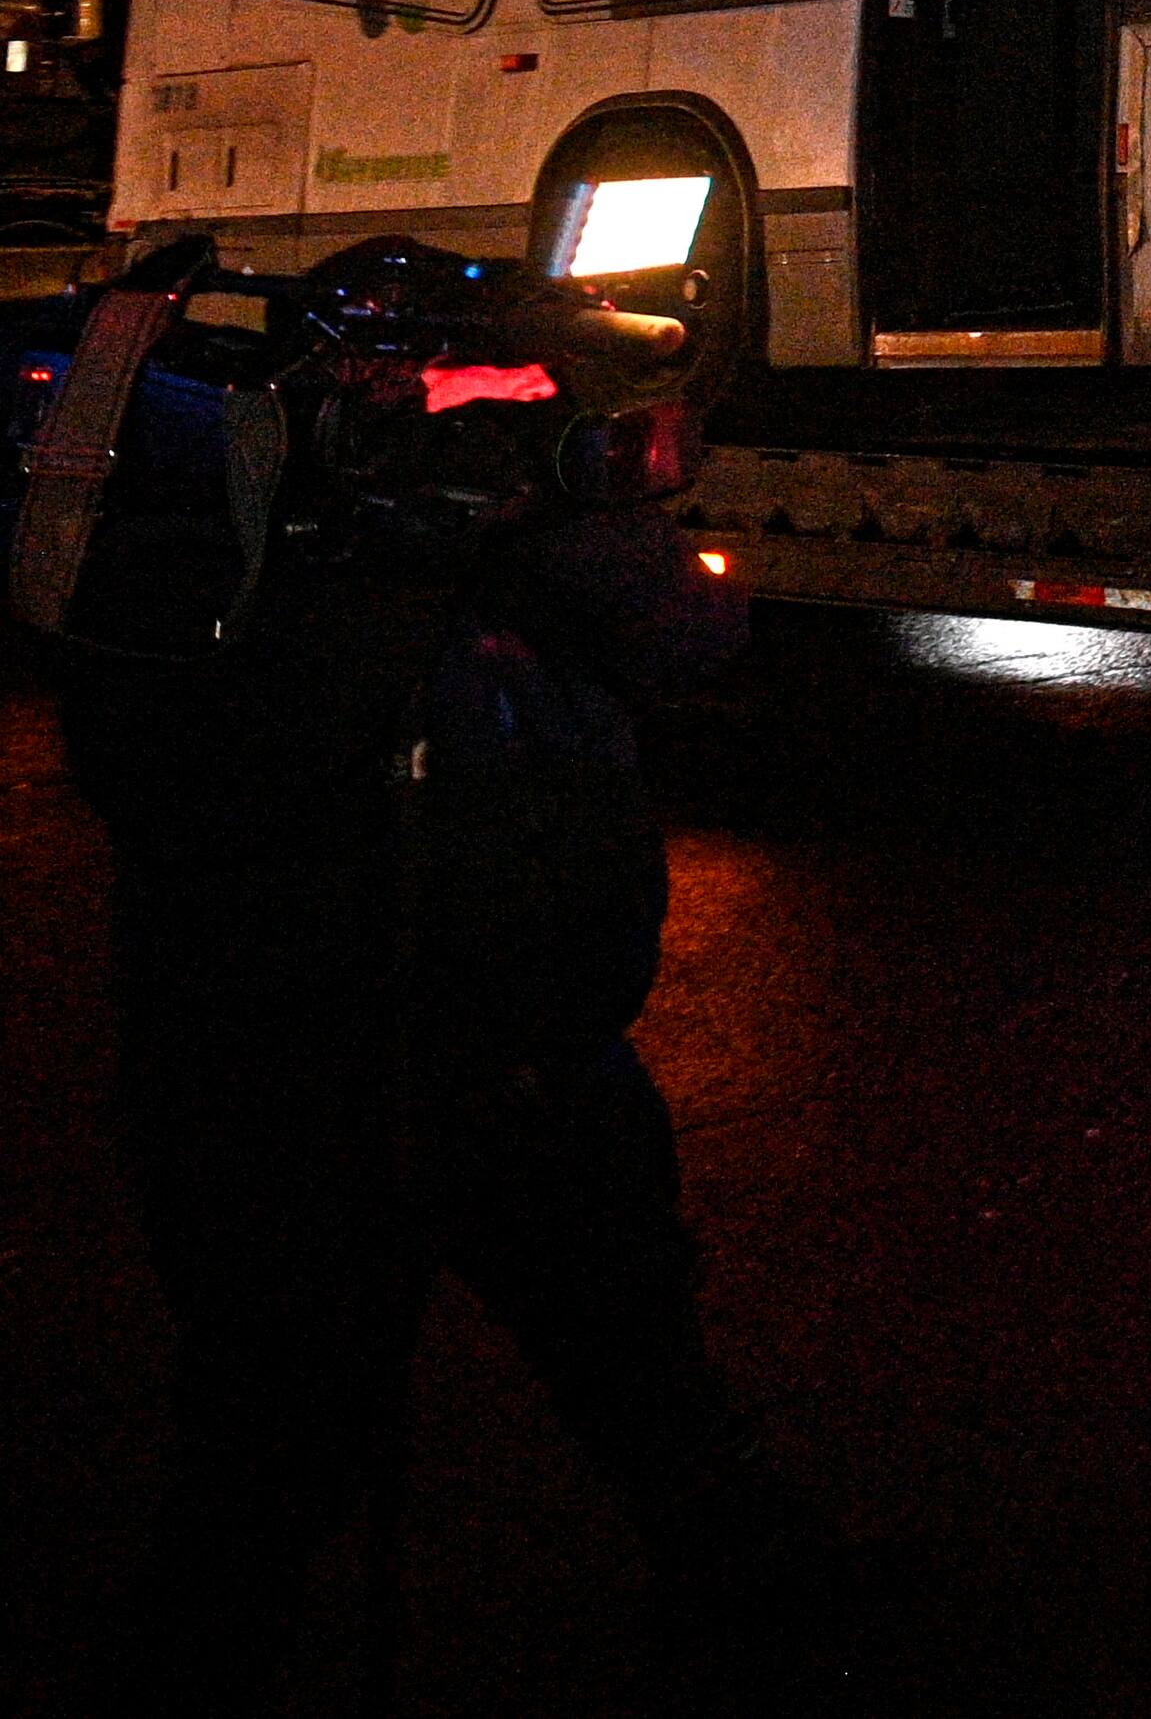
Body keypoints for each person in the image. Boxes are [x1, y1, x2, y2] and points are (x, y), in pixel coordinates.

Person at [14, 246, 833, 1709]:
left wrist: (543, 508)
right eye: (414, 391)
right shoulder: (207, 524)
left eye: (481, 394)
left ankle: (764, 1592)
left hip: (535, 1053)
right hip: (288, 1075)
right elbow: (163, 758)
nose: (454, 420)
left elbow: (693, 632)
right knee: (265, 1454)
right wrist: (364, 543)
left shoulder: (523, 526)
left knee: (647, 1372)